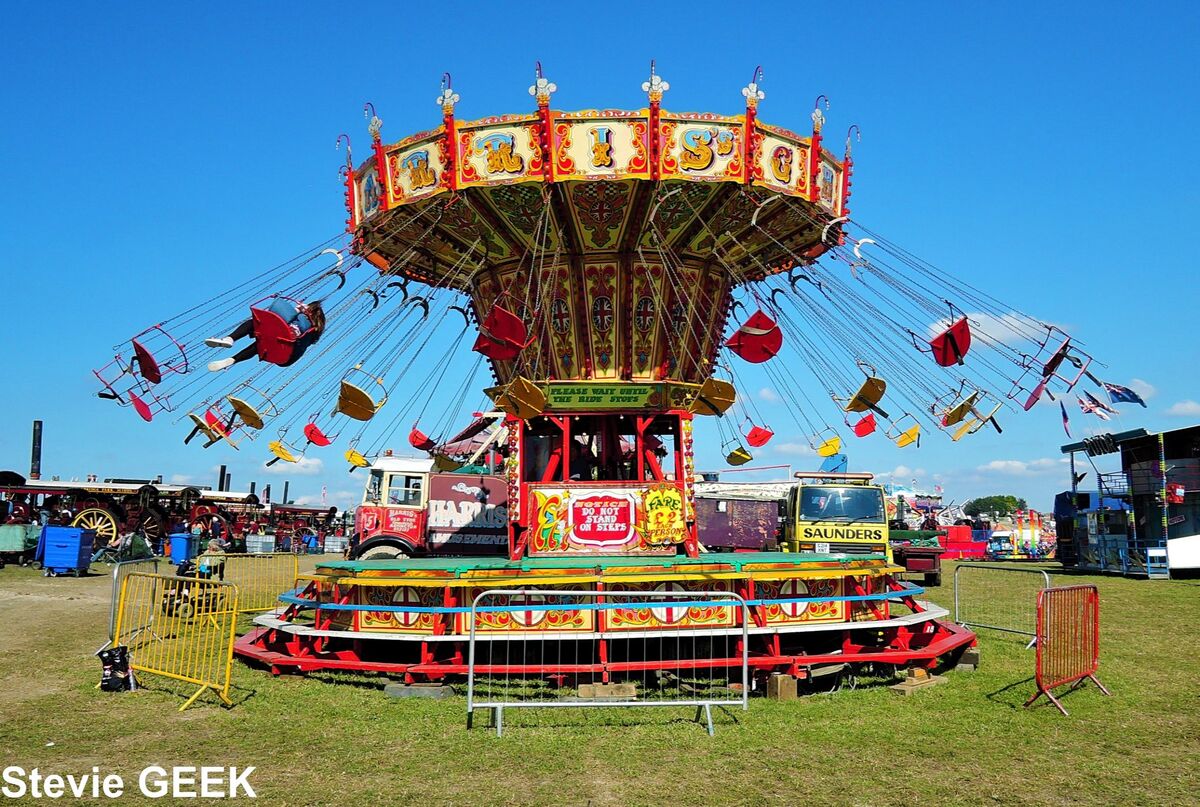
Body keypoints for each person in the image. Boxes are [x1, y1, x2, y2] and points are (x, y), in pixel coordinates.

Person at [206, 298, 325, 372]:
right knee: (261, 345)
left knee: (255, 322)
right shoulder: (313, 333)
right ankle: (232, 360)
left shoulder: (302, 320)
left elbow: (286, 316)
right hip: (287, 352)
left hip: (284, 338)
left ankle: (230, 338)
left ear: (309, 310)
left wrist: (298, 310)